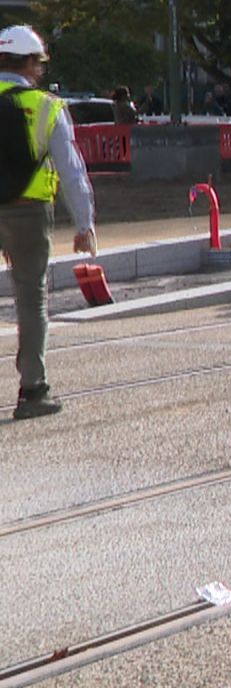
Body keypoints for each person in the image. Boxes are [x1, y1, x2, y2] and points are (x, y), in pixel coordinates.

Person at [0, 26, 97, 419]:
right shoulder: (47, 107)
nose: (40, 70)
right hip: (28, 211)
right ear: (27, 62)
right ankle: (33, 390)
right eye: (38, 63)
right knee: (30, 298)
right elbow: (72, 171)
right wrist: (84, 223)